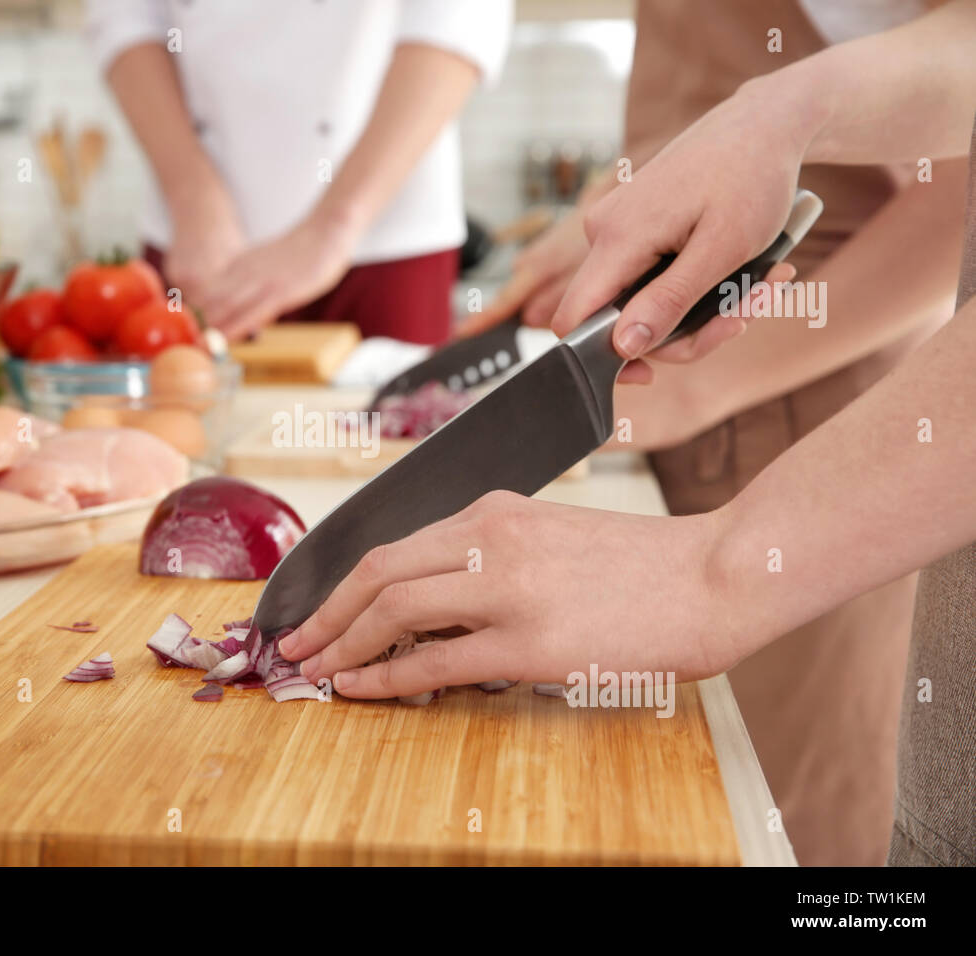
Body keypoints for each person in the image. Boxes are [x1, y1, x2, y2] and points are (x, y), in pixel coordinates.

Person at [279, 0, 976, 866]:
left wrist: (715, 545)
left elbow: (951, 203)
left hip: (826, 460)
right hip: (701, 443)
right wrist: (654, 204)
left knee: (790, 832)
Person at [86, 0, 512, 344]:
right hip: (198, 252)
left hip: (386, 244)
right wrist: (191, 197)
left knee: (402, 441)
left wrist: (335, 224)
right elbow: (124, 16)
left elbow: (460, 14)